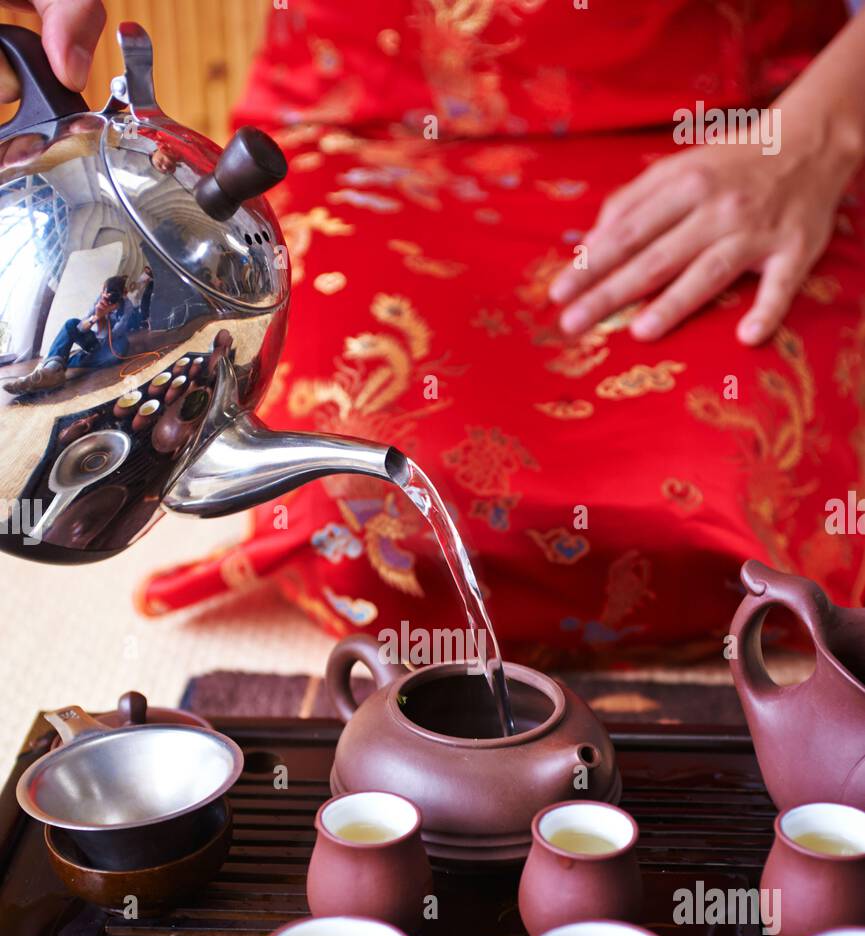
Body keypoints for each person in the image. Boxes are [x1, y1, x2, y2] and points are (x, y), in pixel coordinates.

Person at [20, 2, 865, 663]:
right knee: (374, 513)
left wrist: (813, 139)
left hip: (752, 134)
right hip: (371, 134)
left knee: (800, 485)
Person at [3, 268, 153, 395]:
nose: (108, 298)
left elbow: (113, 336)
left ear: (123, 294)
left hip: (110, 345)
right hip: (94, 341)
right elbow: (80, 327)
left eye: (113, 295)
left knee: (117, 353)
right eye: (105, 293)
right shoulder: (99, 300)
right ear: (102, 290)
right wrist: (96, 316)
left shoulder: (126, 306)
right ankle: (51, 371)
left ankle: (55, 365)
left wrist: (104, 318)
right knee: (71, 324)